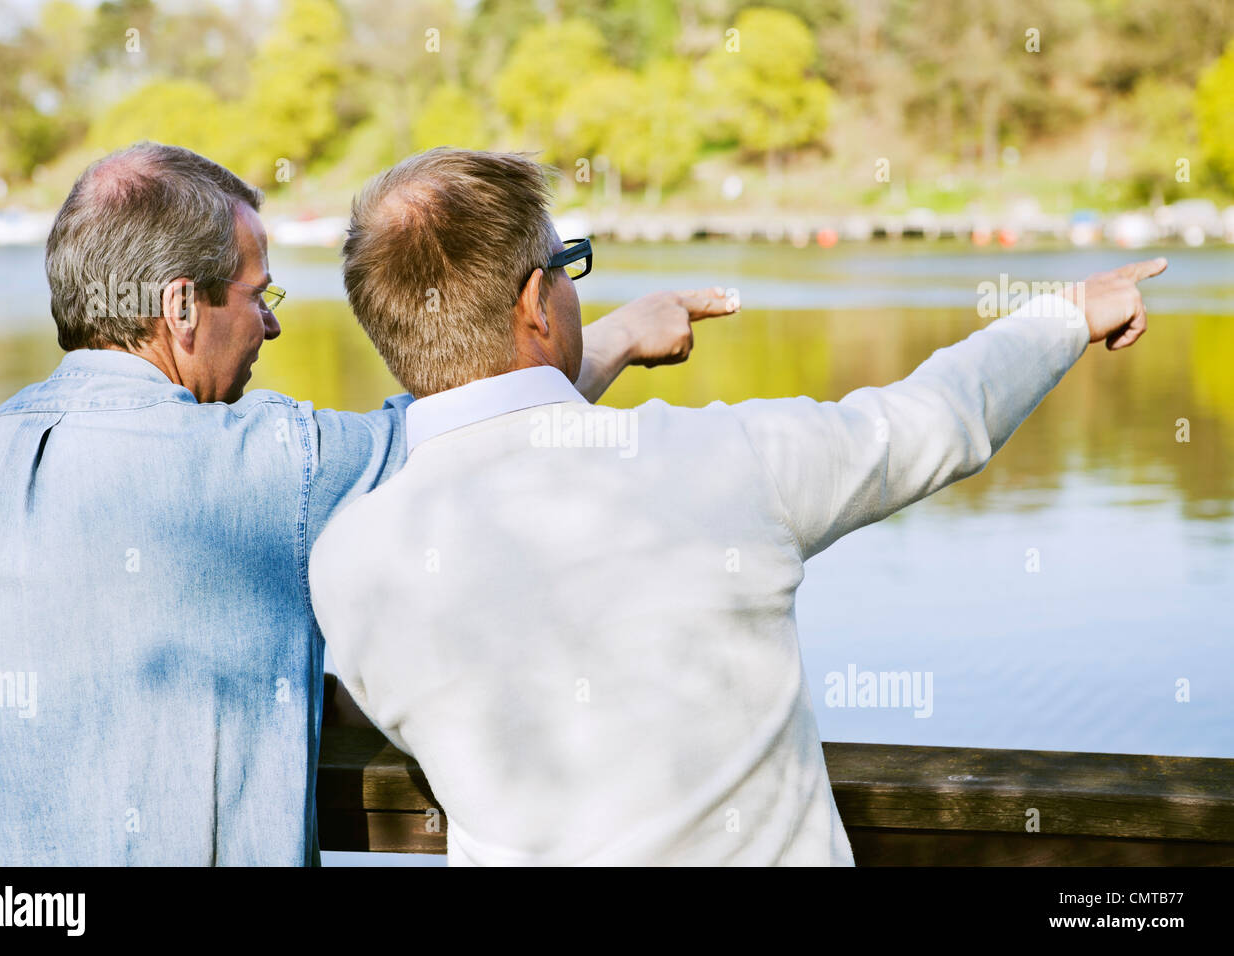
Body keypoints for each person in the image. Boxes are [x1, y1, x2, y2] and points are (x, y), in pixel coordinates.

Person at [309, 147, 1166, 865]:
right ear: (535, 304)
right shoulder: (726, 463)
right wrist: (1066, 315)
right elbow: (933, 422)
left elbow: (505, 430)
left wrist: (601, 347)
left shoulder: (348, 565)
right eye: (568, 269)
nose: (575, 291)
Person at [0, 141, 735, 865]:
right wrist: (623, 334)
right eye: (259, 293)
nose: (271, 327)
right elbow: (477, 423)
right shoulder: (277, 466)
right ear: (180, 309)